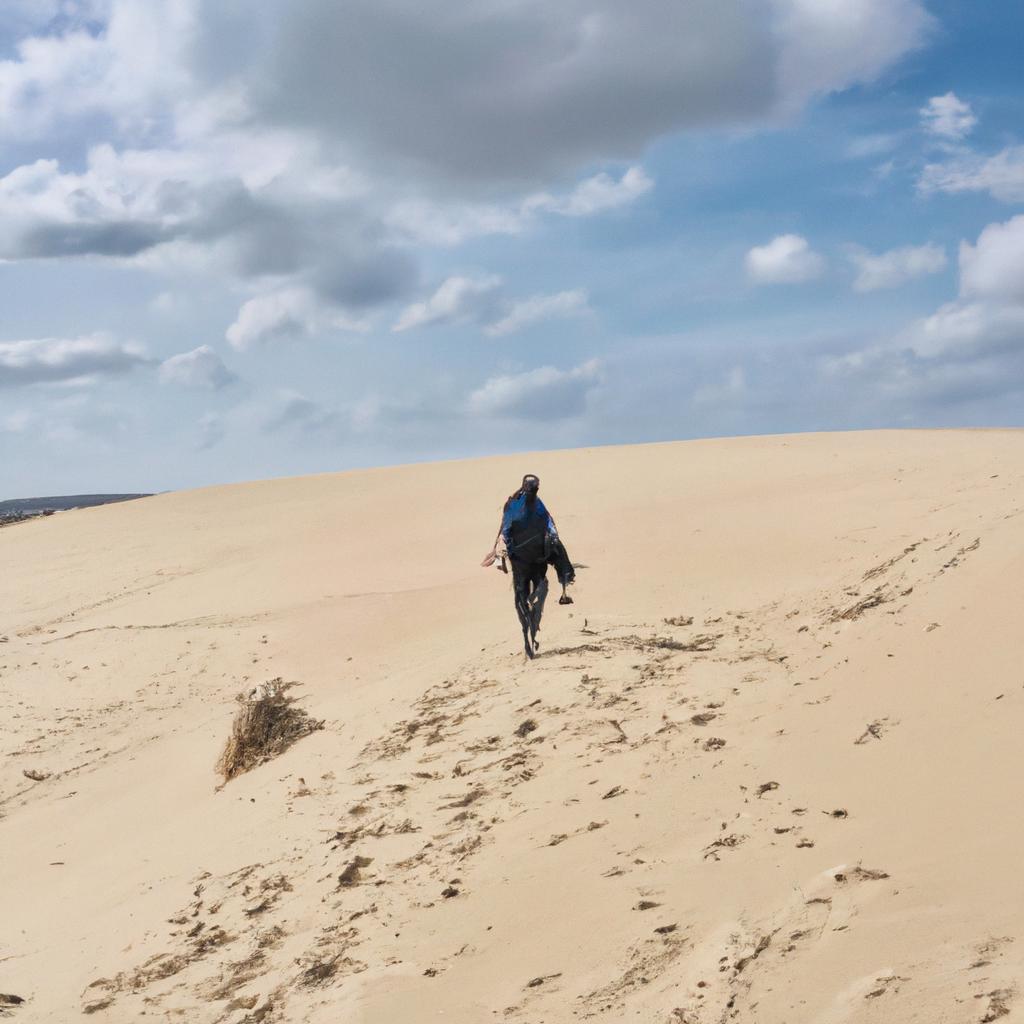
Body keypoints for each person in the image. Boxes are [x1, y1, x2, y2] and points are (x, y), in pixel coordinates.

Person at [497, 474, 574, 659]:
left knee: (558, 550)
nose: (533, 490)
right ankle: (565, 580)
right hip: (521, 560)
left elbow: (548, 523)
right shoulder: (516, 505)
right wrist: (505, 545)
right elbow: (507, 529)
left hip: (533, 559)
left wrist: (553, 535)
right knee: (557, 550)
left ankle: (565, 582)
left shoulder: (536, 504)